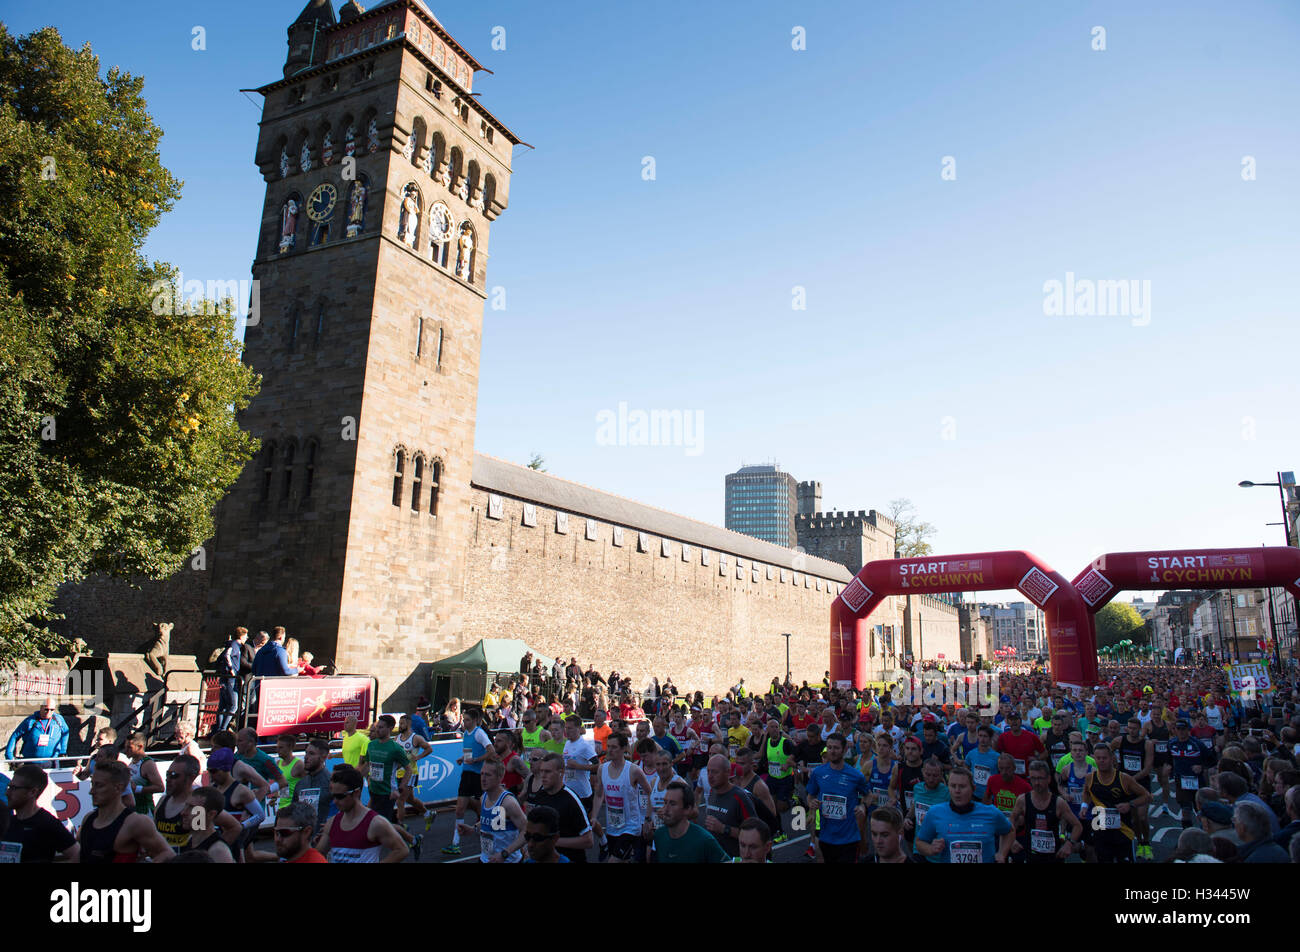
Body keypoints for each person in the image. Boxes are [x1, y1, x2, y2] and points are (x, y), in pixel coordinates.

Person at [77, 760, 174, 863]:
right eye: (92, 784)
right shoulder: (88, 818)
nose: (91, 791)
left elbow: (167, 853)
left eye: (99, 785)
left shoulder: (135, 822)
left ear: (118, 788)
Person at [915, 765, 1014, 863]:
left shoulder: (991, 813)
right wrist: (931, 849)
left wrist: (1002, 854)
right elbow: (919, 842)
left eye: (962, 786)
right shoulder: (935, 812)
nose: (957, 791)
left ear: (973, 789)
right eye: (953, 786)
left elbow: (1009, 831)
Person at [316, 765, 409, 863]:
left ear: (356, 793)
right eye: (333, 796)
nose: (335, 801)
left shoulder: (375, 823)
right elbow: (319, 853)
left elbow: (402, 850)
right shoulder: (332, 823)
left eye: (340, 796)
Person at [358, 714, 419, 856]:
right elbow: (367, 765)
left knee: (379, 825)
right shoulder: (371, 745)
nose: (377, 730)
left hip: (387, 793)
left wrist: (400, 787)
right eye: (376, 727)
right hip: (373, 790)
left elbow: (408, 768)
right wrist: (356, 778)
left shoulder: (395, 748)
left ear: (390, 729)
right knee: (384, 824)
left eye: (381, 727)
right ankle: (414, 840)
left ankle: (376, 854)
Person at [805, 732, 871, 863]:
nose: (832, 751)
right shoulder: (818, 773)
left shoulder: (856, 775)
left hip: (849, 837)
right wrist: (811, 803)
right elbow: (810, 796)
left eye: (836, 748)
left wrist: (863, 806)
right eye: (829, 748)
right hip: (826, 836)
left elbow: (868, 796)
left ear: (845, 749)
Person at [1083, 742, 1150, 863]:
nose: (1101, 761)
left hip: (1122, 831)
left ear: (1112, 758)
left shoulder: (1124, 778)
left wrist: (1129, 805)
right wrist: (1084, 806)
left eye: (1104, 758)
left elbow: (1146, 796)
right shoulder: (1090, 777)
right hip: (1100, 830)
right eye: (1098, 758)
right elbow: (1087, 792)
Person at [591, 731, 651, 862]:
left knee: (613, 861)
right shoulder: (602, 769)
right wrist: (594, 817)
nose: (610, 750)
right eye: (609, 746)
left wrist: (647, 818)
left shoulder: (633, 770)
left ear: (623, 748)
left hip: (630, 827)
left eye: (614, 747)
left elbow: (649, 792)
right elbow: (599, 794)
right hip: (612, 827)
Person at [0, 764, 79, 862]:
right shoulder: (7, 821)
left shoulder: (47, 823)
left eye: (14, 788)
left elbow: (77, 854)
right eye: (8, 787)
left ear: (32, 792)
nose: (7, 793)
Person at [524, 752, 593, 863]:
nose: (543, 776)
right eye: (541, 771)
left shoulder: (571, 800)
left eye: (548, 772)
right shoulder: (540, 795)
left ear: (561, 773)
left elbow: (588, 840)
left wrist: (551, 841)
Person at [1010, 759, 1082, 863]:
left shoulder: (1058, 803)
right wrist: (1012, 840)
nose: (1036, 783)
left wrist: (1069, 844)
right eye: (1033, 778)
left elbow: (1077, 826)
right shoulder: (1023, 800)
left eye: (1040, 778)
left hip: (1054, 857)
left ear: (1048, 779)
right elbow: (1010, 820)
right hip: (1031, 856)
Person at [443, 707, 491, 856]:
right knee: (459, 809)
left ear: (476, 721)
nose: (465, 721)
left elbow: (491, 751)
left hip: (478, 776)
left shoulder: (480, 733)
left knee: (485, 809)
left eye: (468, 719)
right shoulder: (466, 734)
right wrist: (462, 758)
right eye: (464, 719)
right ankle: (455, 843)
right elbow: (469, 752)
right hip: (466, 774)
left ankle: (492, 835)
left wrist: (476, 760)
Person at [458, 759, 527, 863]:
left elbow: (527, 831)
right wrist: (473, 828)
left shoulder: (508, 803)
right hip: (486, 859)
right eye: (482, 774)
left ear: (499, 777)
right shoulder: (483, 798)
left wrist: (505, 853)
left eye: (488, 775)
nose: (483, 779)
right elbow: (491, 822)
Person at [651, 781, 729, 863]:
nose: (666, 809)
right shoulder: (659, 835)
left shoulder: (704, 840)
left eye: (672, 804)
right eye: (665, 802)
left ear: (687, 809)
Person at [702, 753, 757, 858]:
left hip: (735, 857)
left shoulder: (740, 797)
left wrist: (723, 828)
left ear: (727, 772)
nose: (710, 776)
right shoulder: (712, 792)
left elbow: (753, 834)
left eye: (715, 772)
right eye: (708, 771)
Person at [5, 699, 70, 770]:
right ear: (41, 708)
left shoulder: (58, 720)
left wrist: (63, 751)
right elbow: (15, 736)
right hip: (31, 762)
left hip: (52, 762)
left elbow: (65, 733)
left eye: (52, 710)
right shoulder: (30, 721)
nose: (48, 712)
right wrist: (9, 756)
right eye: (46, 709)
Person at [291, 738, 333, 834]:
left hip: (322, 839)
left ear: (323, 757)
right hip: (302, 839)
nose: (306, 757)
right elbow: (294, 811)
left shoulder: (331, 783)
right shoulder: (300, 784)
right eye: (306, 753)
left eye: (311, 754)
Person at [182, 786, 236, 862]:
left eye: (192, 808)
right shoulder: (191, 840)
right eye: (185, 806)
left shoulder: (218, 851)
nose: (183, 813)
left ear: (211, 814)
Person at [215, 627, 247, 733]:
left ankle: (219, 729)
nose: (247, 638)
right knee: (233, 706)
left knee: (223, 706)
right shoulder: (234, 645)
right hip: (230, 679)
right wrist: (231, 669)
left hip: (226, 678)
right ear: (242, 636)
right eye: (246, 636)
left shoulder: (233, 645)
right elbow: (227, 655)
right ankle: (223, 729)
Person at [125, 731, 164, 817]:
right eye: (125, 747)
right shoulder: (132, 762)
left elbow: (160, 787)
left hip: (145, 811)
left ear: (140, 747)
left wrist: (137, 789)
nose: (125, 751)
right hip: (133, 810)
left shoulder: (148, 764)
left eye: (129, 748)